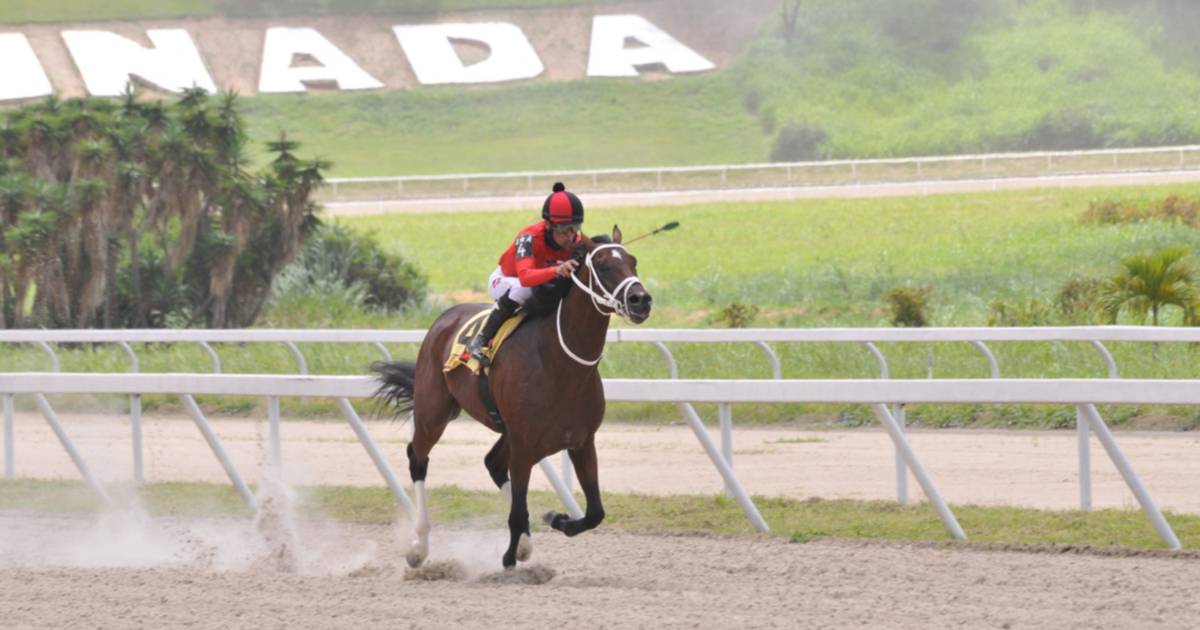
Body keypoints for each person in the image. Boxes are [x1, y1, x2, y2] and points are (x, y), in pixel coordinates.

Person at [464, 182, 583, 366]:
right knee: (524, 290)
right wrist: (556, 270)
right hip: (506, 280)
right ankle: (480, 340)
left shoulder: (575, 239)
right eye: (563, 229)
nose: (570, 236)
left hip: (537, 283)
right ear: (549, 225)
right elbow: (526, 278)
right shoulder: (528, 237)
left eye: (575, 227)